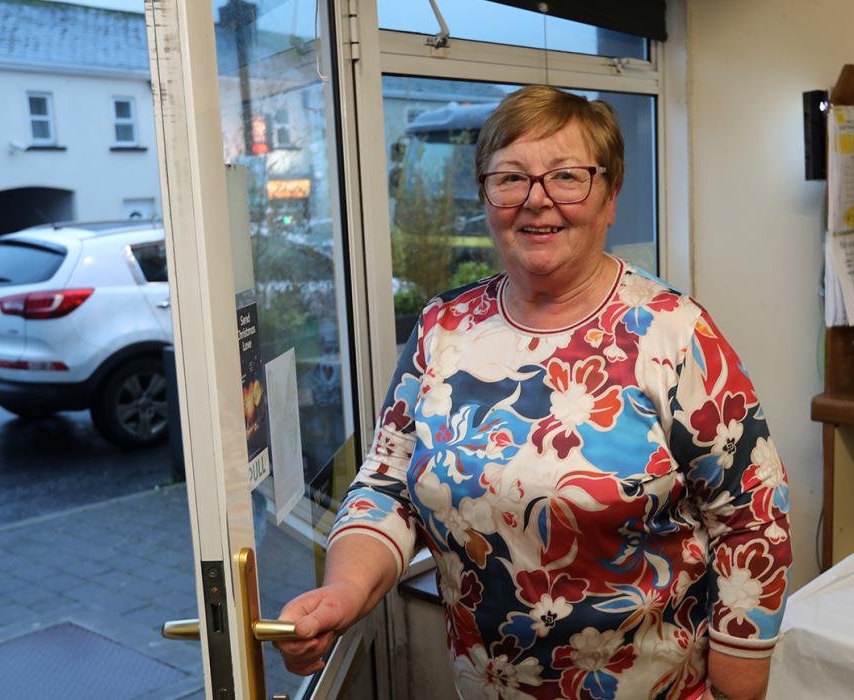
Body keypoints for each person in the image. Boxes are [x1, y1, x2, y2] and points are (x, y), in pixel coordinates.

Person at [276, 85, 792, 700]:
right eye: (510, 178)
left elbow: (753, 513)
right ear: (486, 197)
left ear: (609, 197)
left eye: (567, 176)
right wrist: (342, 594)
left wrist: (739, 686)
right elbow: (388, 486)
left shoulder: (672, 334)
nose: (536, 200)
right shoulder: (445, 329)